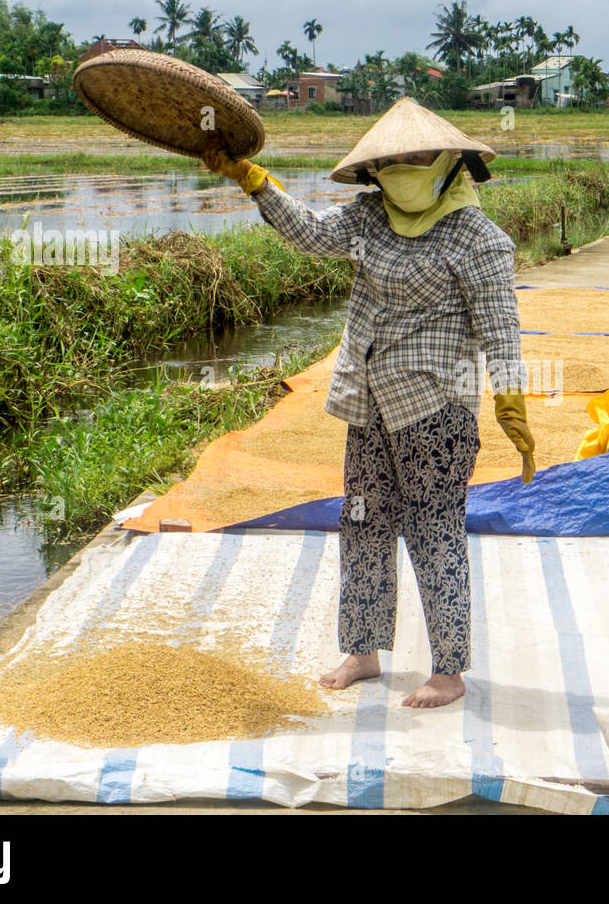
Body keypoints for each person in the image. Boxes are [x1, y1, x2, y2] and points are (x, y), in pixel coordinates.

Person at [203, 98, 535, 709]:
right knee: (361, 521)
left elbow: (501, 328)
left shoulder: (480, 239)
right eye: (394, 160)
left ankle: (449, 669)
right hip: (368, 404)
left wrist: (512, 404)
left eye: (418, 157)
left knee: (434, 531)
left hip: (435, 411)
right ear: (375, 170)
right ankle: (363, 649)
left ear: (448, 164)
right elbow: (310, 235)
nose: (405, 168)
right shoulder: (369, 218)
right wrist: (254, 180)